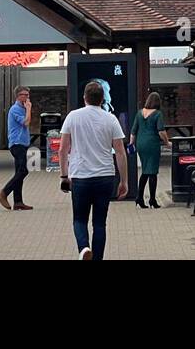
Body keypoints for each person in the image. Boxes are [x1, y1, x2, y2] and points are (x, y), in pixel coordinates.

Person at [59, 80, 129, 260]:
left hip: (80, 177)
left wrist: (64, 176)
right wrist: (124, 181)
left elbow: (63, 149)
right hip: (105, 176)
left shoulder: (73, 117)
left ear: (85, 98)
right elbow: (120, 152)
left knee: (79, 220)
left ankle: (83, 248)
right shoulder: (111, 119)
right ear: (102, 99)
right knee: (100, 223)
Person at [128, 91, 171, 209]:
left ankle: (139, 197)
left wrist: (132, 144)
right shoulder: (157, 114)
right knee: (152, 172)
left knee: (145, 170)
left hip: (140, 144)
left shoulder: (139, 113)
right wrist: (167, 142)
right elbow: (161, 131)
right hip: (152, 144)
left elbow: (133, 131)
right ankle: (152, 199)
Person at [0, 86, 33, 211]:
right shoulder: (15, 109)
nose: (27, 97)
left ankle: (18, 202)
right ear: (18, 96)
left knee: (19, 172)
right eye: (24, 95)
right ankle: (4, 193)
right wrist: (29, 108)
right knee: (23, 171)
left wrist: (27, 109)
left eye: (28, 95)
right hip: (17, 144)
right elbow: (26, 122)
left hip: (23, 143)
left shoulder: (22, 109)